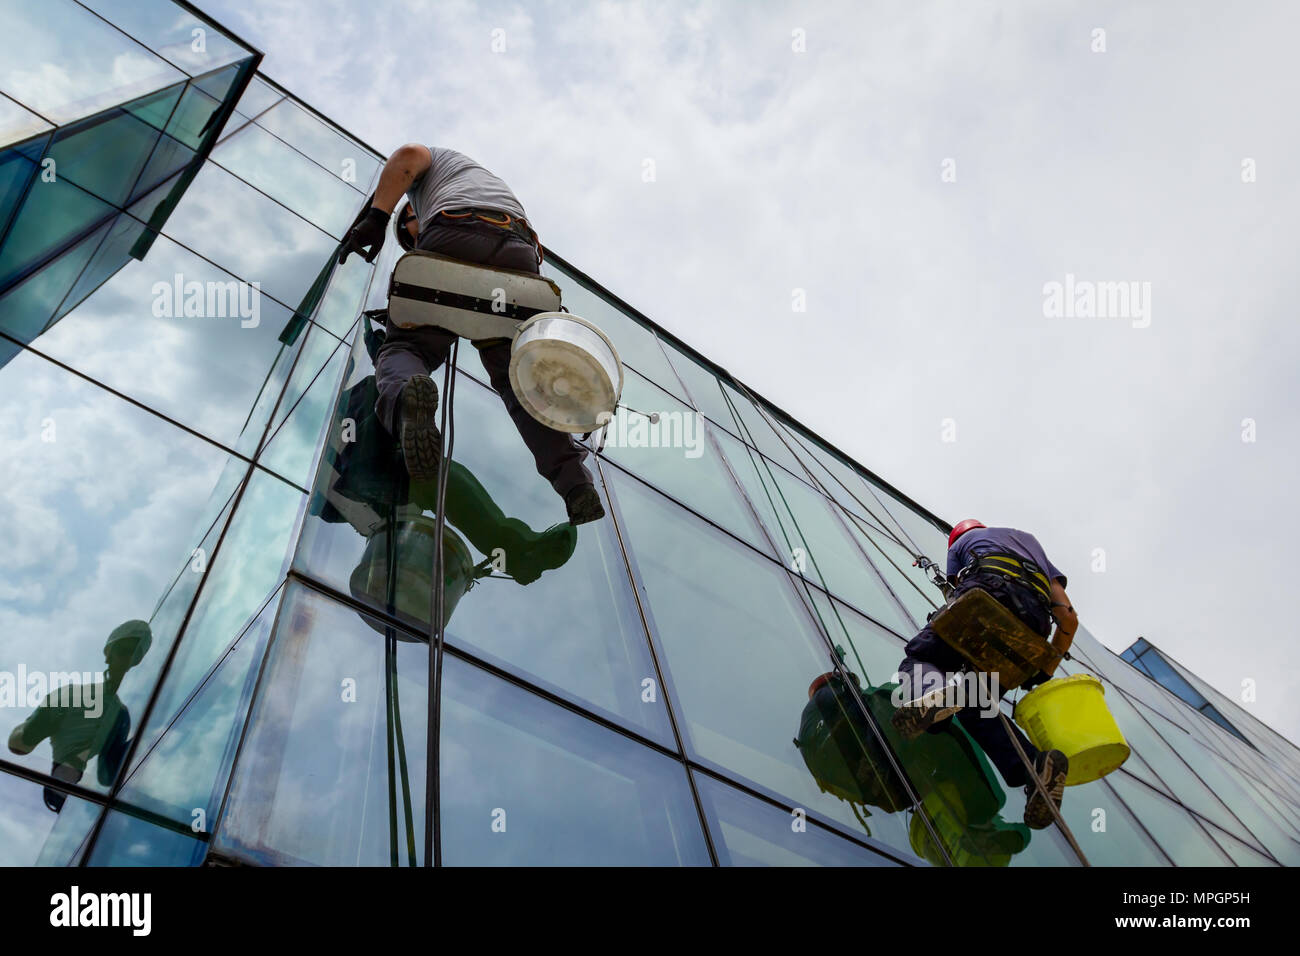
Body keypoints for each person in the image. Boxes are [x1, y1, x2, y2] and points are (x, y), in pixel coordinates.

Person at [338, 144, 604, 525]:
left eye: (409, 233)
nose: (412, 241)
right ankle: (575, 484)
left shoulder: (433, 172)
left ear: (412, 211)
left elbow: (408, 155)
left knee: (405, 345)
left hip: (455, 230)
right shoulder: (481, 180)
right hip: (519, 254)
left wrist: (378, 217)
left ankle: (405, 401)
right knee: (518, 382)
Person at [891, 520, 1079, 829]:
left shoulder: (961, 544)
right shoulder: (1031, 543)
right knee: (977, 708)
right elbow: (1068, 618)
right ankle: (1036, 767)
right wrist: (1044, 670)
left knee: (921, 658)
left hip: (986, 594)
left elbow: (956, 601)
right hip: (1033, 626)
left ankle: (930, 693)